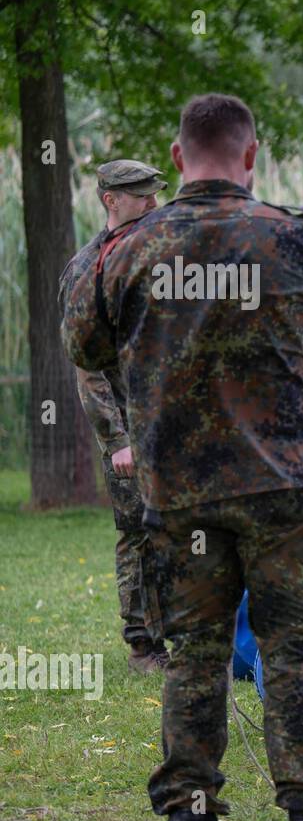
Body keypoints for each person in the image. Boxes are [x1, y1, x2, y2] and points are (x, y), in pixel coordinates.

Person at [62, 93, 303, 821]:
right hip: (285, 491)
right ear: (251, 156)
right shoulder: (289, 237)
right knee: (294, 655)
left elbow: (83, 343)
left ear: (177, 159)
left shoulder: (131, 247)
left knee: (194, 657)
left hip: (180, 495)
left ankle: (190, 819)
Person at [58, 159, 169, 673]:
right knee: (138, 530)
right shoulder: (87, 270)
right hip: (128, 428)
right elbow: (88, 367)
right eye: (140, 195)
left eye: (154, 194)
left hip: (174, 423)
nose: (151, 203)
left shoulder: (166, 259)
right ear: (110, 199)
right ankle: (143, 646)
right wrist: (117, 438)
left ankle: (187, 637)